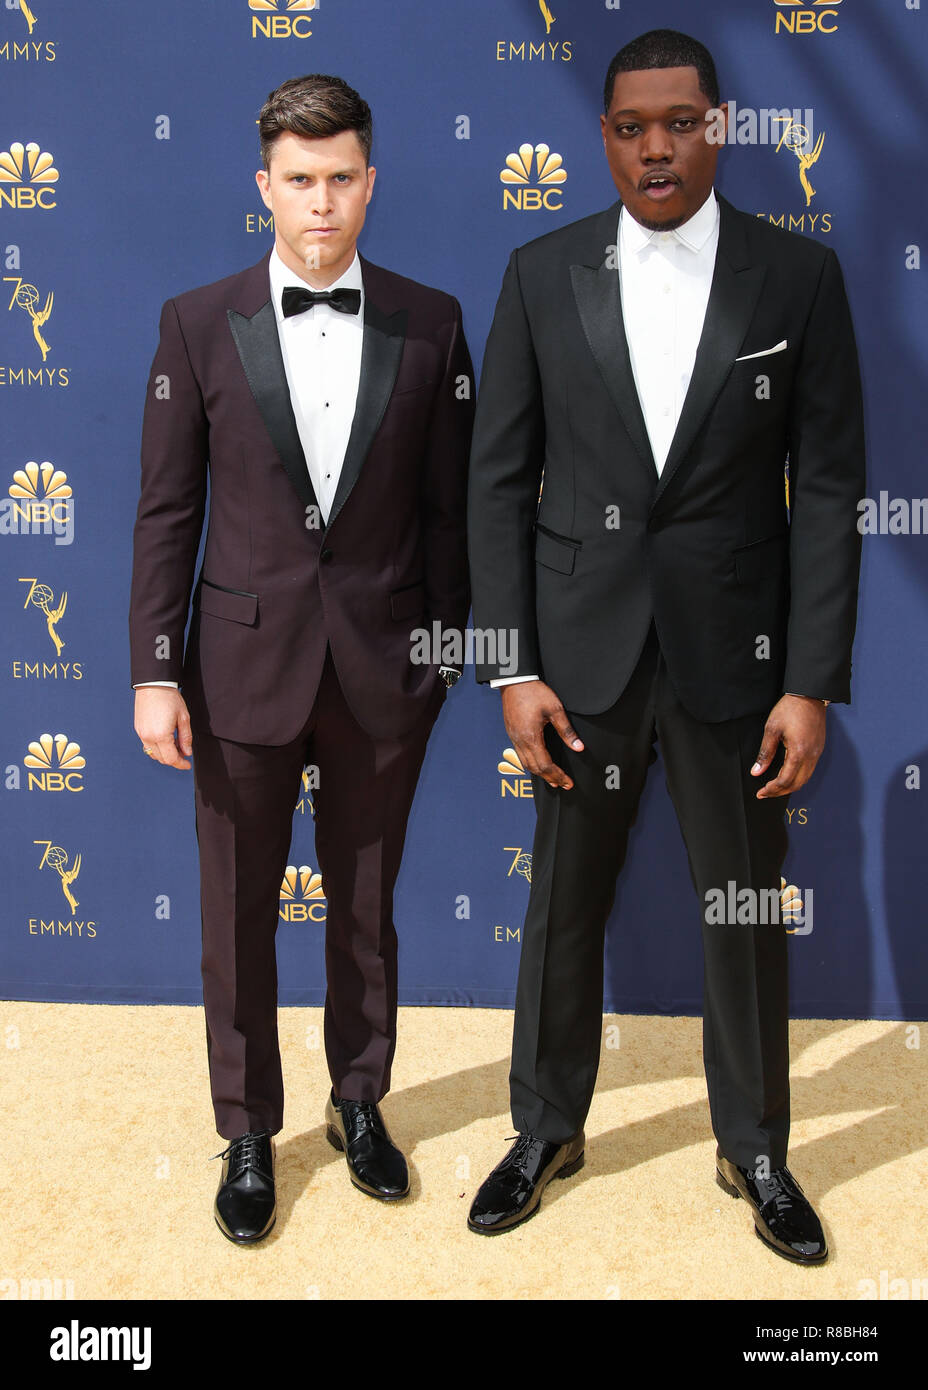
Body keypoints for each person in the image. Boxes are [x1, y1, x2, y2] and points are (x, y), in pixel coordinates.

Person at [465, 29, 864, 1263]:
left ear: (719, 127)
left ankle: (754, 1148)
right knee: (561, 910)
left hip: (735, 661)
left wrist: (809, 679)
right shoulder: (540, 272)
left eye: (681, 121)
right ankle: (545, 1129)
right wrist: (511, 664)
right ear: (603, 137)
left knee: (741, 911)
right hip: (579, 658)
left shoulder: (795, 279)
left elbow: (833, 488)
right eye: (633, 125)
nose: (656, 145)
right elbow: (495, 485)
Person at [129, 74, 473, 1243]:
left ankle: (360, 1104)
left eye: (340, 180)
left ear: (369, 184)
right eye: (298, 181)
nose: (319, 203)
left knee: (366, 909)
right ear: (261, 187)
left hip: (383, 667)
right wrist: (153, 669)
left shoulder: (433, 322)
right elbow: (167, 512)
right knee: (235, 910)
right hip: (236, 673)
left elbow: (448, 513)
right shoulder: (195, 320)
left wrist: (443, 655)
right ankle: (245, 1128)